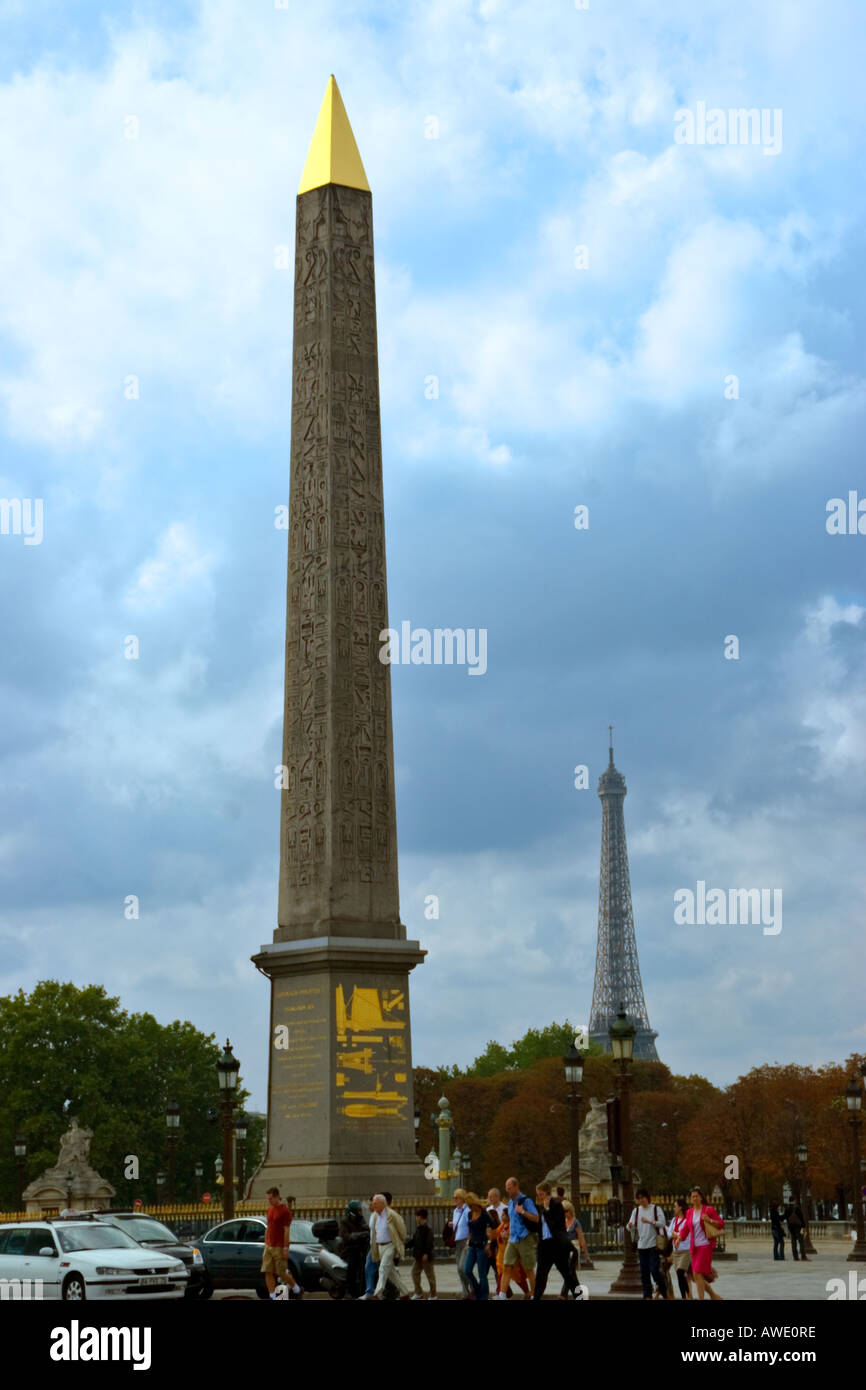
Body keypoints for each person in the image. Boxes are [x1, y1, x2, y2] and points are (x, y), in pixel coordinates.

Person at [674, 1187, 724, 1301]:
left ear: (701, 1198)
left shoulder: (708, 1210)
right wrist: (679, 1238)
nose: (695, 1198)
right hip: (694, 1247)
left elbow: (721, 1224)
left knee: (696, 1273)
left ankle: (702, 1298)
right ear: (690, 1199)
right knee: (697, 1276)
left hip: (705, 1245)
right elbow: (686, 1228)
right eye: (692, 1196)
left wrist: (709, 1220)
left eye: (696, 1196)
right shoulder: (689, 1212)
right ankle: (713, 1295)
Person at [532, 1181, 579, 1299]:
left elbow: (555, 1225)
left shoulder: (557, 1205)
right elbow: (539, 1227)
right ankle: (536, 1297)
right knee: (541, 1276)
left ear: (548, 1193)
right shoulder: (540, 1207)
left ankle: (579, 1296)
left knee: (568, 1275)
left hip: (557, 1246)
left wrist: (547, 1210)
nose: (539, 1197)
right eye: (538, 1194)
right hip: (544, 1246)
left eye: (541, 1194)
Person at [496, 1177, 538, 1298]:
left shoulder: (526, 1201)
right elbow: (513, 1222)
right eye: (506, 1188)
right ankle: (502, 1295)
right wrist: (506, 1233)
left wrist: (523, 1212)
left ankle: (534, 1295)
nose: (507, 1190)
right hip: (512, 1240)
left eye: (509, 1188)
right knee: (506, 1267)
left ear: (516, 1187)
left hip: (525, 1239)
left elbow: (536, 1218)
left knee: (529, 1269)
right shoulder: (509, 1203)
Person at [626, 1189, 668, 1300]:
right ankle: (647, 1295)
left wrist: (650, 1221)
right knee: (644, 1272)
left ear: (647, 1198)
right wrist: (630, 1225)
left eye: (642, 1198)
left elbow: (662, 1223)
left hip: (654, 1245)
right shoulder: (636, 1211)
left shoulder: (655, 1209)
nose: (641, 1200)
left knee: (654, 1269)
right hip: (641, 1245)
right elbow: (629, 1226)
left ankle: (663, 1289)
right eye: (639, 1198)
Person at [262, 1187, 302, 1300]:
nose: (269, 1201)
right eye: (268, 1198)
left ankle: (296, 1288)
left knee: (281, 1272)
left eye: (270, 1198)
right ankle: (272, 1296)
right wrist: (266, 1241)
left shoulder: (284, 1211)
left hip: (279, 1246)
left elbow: (286, 1230)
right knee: (267, 1271)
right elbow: (268, 1227)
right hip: (269, 1245)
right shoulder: (270, 1209)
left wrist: (286, 1247)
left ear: (276, 1197)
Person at [369, 1193, 411, 1300]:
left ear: (383, 1204)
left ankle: (378, 1293)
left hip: (390, 1245)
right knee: (391, 1273)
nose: (374, 1206)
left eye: (376, 1204)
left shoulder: (392, 1215)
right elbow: (374, 1233)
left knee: (383, 1268)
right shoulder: (374, 1216)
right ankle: (405, 1292)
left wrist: (399, 1243)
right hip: (380, 1246)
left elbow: (402, 1230)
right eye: (373, 1204)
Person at [463, 1193, 497, 1300]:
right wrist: (467, 1243)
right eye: (468, 1205)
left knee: (482, 1274)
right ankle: (477, 1290)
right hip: (472, 1246)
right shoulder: (469, 1214)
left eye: (470, 1204)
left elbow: (494, 1228)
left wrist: (489, 1243)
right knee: (467, 1270)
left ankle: (484, 1296)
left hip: (481, 1247)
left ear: (474, 1203)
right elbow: (470, 1230)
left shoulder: (484, 1214)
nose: (469, 1207)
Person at [493, 1209, 530, 1297]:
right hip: (501, 1256)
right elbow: (495, 1235)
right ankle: (500, 1294)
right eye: (501, 1215)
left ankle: (527, 1293)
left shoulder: (512, 1226)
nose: (502, 1216)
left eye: (504, 1215)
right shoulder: (501, 1226)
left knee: (518, 1278)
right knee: (501, 1276)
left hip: (511, 1256)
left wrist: (507, 1238)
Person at [339, 1199, 369, 1299]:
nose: (361, 1213)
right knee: (352, 1267)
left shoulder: (361, 1219)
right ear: (353, 1212)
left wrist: (369, 1230)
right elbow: (346, 1236)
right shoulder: (344, 1221)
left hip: (361, 1248)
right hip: (349, 1249)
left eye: (361, 1210)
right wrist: (359, 1235)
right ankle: (348, 1291)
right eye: (359, 1211)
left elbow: (366, 1227)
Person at [561, 1199, 588, 1297]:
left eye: (566, 1211)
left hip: (574, 1248)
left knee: (569, 1271)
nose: (565, 1214)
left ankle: (563, 1294)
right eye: (563, 1212)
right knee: (572, 1273)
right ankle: (578, 1294)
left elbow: (581, 1237)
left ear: (570, 1211)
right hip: (564, 1249)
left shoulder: (576, 1222)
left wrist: (585, 1253)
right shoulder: (562, 1222)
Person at [410, 1207, 436, 1300]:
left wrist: (426, 1253)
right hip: (418, 1256)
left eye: (417, 1216)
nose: (416, 1218)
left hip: (425, 1257)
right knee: (414, 1273)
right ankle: (418, 1292)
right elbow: (414, 1241)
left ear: (420, 1217)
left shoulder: (428, 1229)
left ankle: (433, 1295)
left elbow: (429, 1243)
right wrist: (404, 1245)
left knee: (430, 1276)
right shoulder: (418, 1228)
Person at [452, 1188, 472, 1298]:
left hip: (465, 1241)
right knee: (459, 1270)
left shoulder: (467, 1210)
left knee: (462, 1268)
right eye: (454, 1197)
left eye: (457, 1197)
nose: (455, 1199)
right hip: (457, 1242)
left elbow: (470, 1227)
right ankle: (466, 1292)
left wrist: (468, 1242)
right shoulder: (455, 1211)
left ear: (462, 1198)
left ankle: (473, 1288)